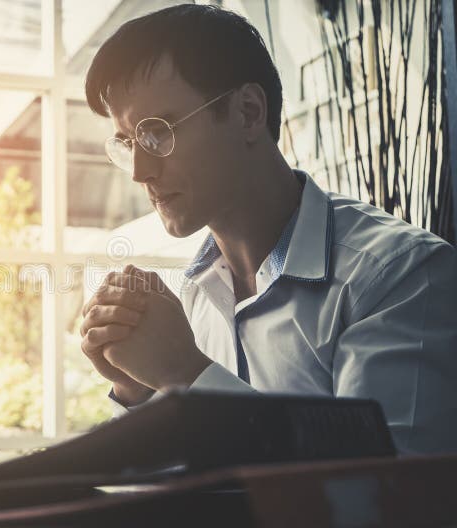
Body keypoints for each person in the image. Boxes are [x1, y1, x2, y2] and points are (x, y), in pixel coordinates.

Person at [79, 3, 457, 454]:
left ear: (248, 112)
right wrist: (138, 393)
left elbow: (385, 496)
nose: (140, 171)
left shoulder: (401, 276)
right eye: (128, 143)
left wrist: (185, 375)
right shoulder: (196, 294)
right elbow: (194, 489)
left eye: (157, 132)